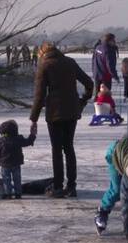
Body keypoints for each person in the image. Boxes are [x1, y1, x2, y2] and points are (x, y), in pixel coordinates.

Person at [30, 42, 94, 198]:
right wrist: (82, 101)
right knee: (69, 148)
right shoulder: (70, 62)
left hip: (54, 114)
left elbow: (39, 96)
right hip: (72, 111)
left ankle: (58, 186)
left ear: (42, 52)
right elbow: (89, 83)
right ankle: (72, 186)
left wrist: (34, 119)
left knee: (57, 150)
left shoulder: (44, 65)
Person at [0, 120, 36, 200]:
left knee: (6, 179)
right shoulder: (18, 138)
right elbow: (28, 142)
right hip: (16, 163)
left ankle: (8, 193)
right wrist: (32, 135)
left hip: (5, 164)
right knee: (17, 178)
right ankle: (18, 193)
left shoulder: (0, 141)